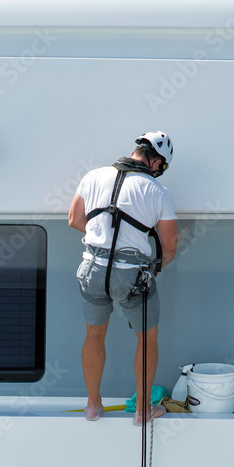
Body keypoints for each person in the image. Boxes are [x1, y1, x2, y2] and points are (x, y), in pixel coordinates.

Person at [68, 132, 178, 425]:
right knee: (146, 339)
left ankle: (93, 406)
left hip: (92, 268)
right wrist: (157, 267)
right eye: (161, 166)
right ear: (155, 160)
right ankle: (142, 410)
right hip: (131, 274)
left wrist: (104, 237)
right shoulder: (158, 191)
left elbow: (74, 219)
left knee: (94, 334)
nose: (159, 171)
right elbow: (170, 245)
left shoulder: (93, 176)